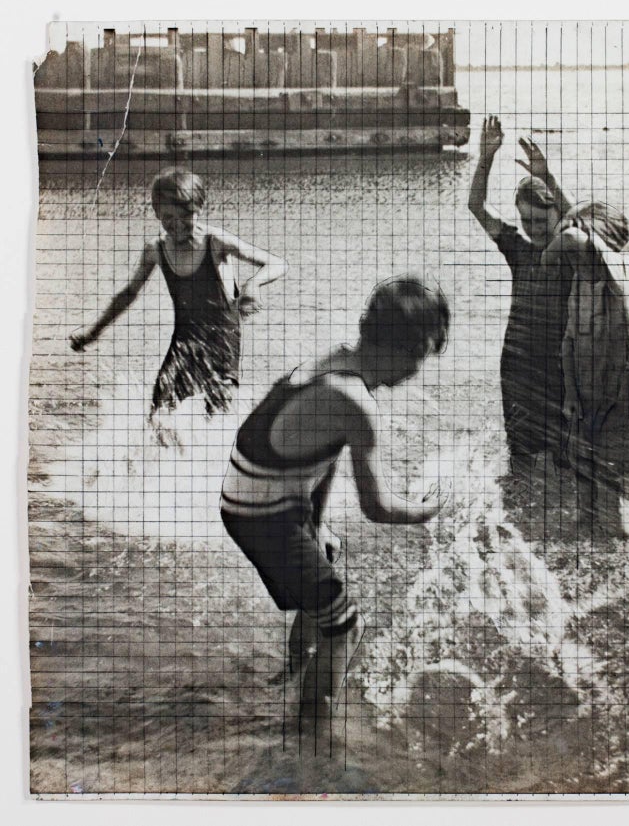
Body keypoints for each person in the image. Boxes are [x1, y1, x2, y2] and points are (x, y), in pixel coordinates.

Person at [219, 277, 451, 746]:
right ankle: (311, 738)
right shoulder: (356, 403)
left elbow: (324, 455)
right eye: (421, 358)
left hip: (254, 497)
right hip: (262, 513)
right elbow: (377, 507)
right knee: (346, 626)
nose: (417, 373)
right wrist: (428, 511)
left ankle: (293, 674)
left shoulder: (337, 361)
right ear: (404, 349)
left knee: (323, 577)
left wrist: (318, 524)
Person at [69, 167, 287, 418]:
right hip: (185, 338)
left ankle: (226, 449)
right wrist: (94, 332)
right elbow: (129, 293)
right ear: (156, 213)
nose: (177, 225)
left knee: (218, 407)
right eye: (168, 218)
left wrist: (252, 284)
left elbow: (277, 263)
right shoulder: (156, 250)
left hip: (223, 338)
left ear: (199, 209)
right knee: (160, 409)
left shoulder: (215, 242)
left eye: (186, 216)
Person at [468, 116, 576, 488]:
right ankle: (521, 516)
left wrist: (547, 178)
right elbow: (476, 205)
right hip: (517, 362)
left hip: (561, 361)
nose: (534, 229)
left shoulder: (571, 249)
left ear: (557, 216)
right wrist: (486, 158)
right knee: (523, 455)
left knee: (567, 456)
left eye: (542, 221)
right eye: (527, 221)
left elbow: (585, 225)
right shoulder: (517, 246)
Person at [543, 201, 629, 542]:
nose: (574, 262)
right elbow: (569, 344)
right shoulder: (580, 284)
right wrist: (573, 396)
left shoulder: (627, 274)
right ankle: (585, 581)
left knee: (616, 516)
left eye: (580, 254)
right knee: (586, 513)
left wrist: (554, 246)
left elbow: (574, 239)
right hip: (587, 400)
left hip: (626, 403)